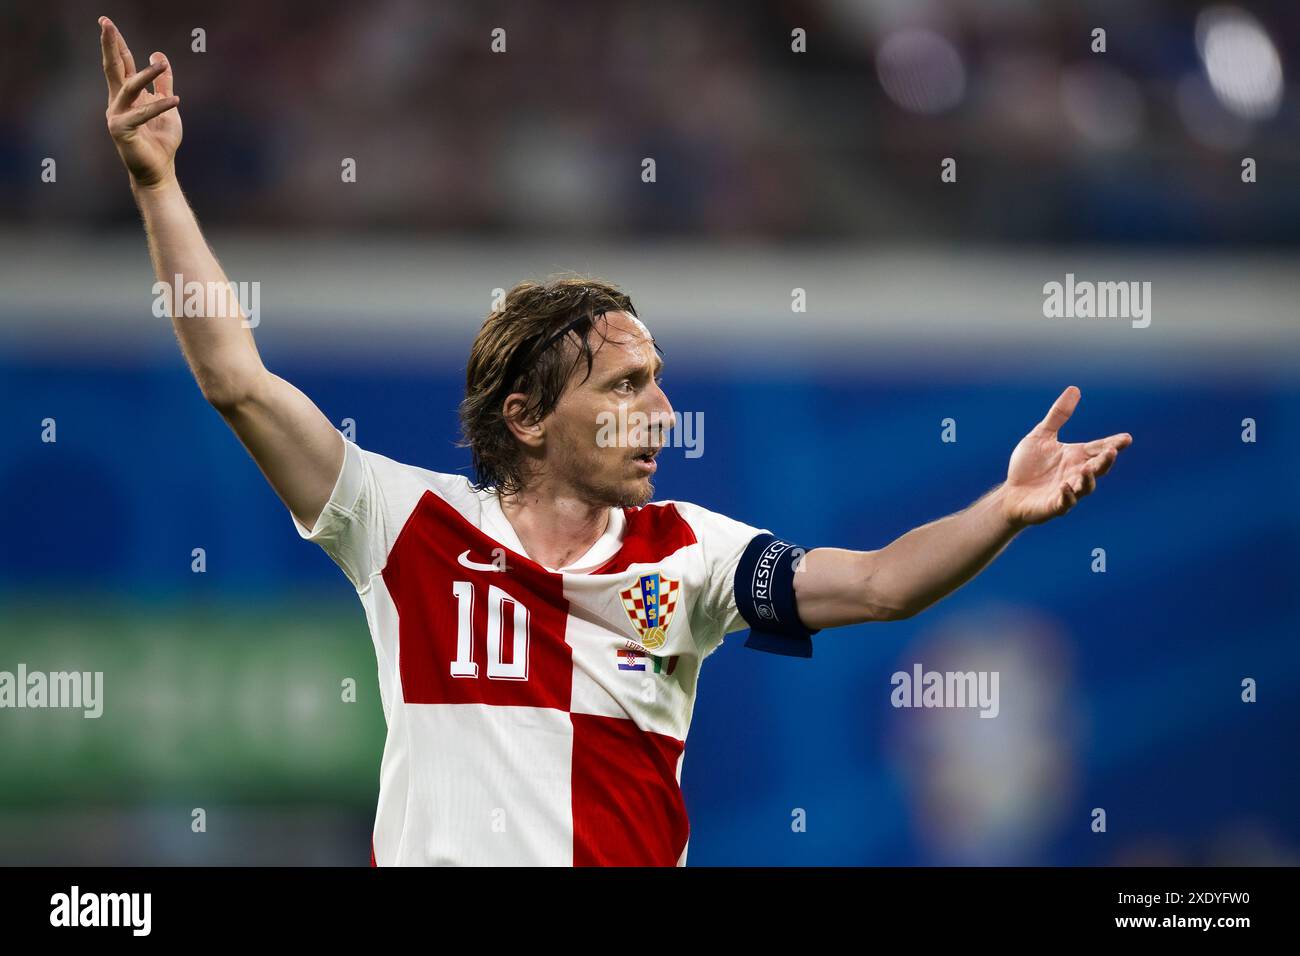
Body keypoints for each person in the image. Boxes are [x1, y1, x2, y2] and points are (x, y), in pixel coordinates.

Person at [99, 16, 1132, 865]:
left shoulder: (688, 554)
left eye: (662, 381)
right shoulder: (399, 523)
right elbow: (235, 379)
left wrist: (1000, 509)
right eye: (627, 385)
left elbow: (875, 585)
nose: (663, 411)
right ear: (526, 415)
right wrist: (157, 184)